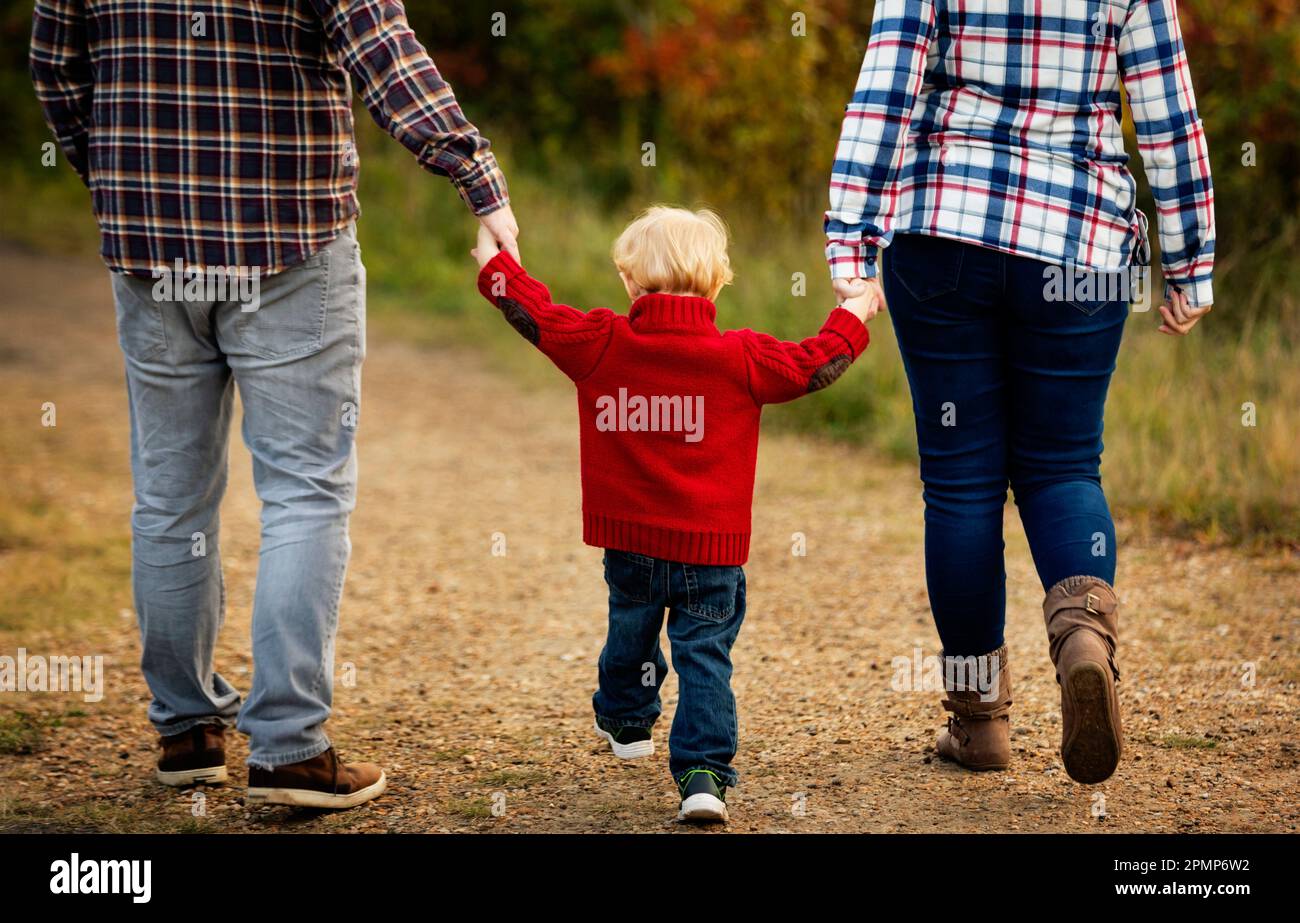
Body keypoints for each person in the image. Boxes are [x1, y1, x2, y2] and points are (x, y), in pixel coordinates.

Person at [30, 0, 519, 808]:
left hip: (150, 241)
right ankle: (290, 749)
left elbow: (56, 65)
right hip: (286, 235)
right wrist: (475, 175)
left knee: (169, 496)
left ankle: (186, 731)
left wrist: (113, 175)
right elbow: (379, 47)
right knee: (304, 488)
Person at [825, 0, 1214, 783]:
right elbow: (1167, 112)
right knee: (1065, 464)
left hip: (943, 229)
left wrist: (851, 234)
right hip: (1079, 242)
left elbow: (887, 86)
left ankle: (979, 724)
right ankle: (1082, 640)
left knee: (961, 481)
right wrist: (1190, 255)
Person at [472, 206, 875, 821]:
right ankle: (704, 777)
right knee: (704, 655)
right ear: (717, 285)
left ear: (631, 284)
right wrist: (854, 310)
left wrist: (498, 265)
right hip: (711, 553)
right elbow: (815, 363)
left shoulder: (604, 341)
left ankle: (627, 721)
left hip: (631, 546)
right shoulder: (741, 356)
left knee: (629, 633)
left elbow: (539, 318)